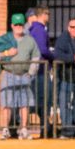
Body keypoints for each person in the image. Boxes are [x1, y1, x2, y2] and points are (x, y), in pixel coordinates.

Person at [0, 13, 40, 139]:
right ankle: (5, 129)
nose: (18, 26)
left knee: (24, 103)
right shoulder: (5, 39)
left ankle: (24, 129)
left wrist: (31, 73)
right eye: (16, 24)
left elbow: (36, 56)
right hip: (9, 74)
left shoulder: (30, 40)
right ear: (12, 25)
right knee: (6, 104)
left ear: (24, 25)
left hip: (24, 75)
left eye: (20, 24)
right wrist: (7, 52)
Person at [27, 8, 55, 136]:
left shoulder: (35, 29)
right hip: (41, 70)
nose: (48, 16)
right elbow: (42, 50)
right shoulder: (39, 29)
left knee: (41, 99)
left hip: (38, 69)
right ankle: (45, 128)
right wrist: (54, 56)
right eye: (47, 13)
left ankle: (46, 126)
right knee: (44, 99)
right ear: (41, 15)